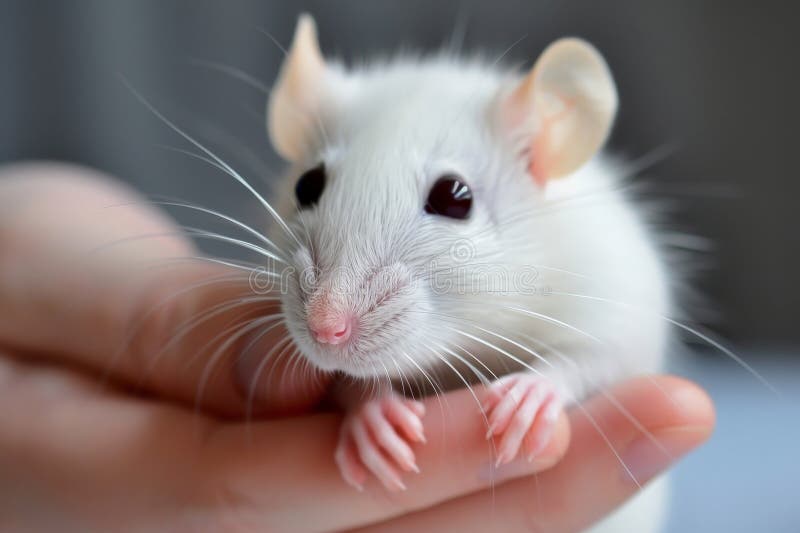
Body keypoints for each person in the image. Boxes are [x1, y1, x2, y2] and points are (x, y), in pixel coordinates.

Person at [0, 162, 714, 532]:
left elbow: (630, 324)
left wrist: (554, 381)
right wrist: (362, 400)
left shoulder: (589, 228)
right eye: (313, 185)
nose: (327, 318)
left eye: (451, 199)